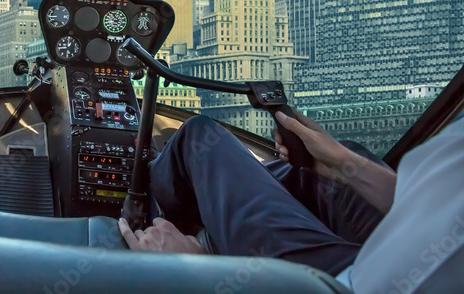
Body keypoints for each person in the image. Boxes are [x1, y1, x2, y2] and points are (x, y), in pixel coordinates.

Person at [118, 109, 464, 291]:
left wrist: (194, 273)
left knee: (198, 136)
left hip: (343, 283)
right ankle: (223, 222)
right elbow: (432, 199)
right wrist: (342, 163)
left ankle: (153, 219)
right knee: (325, 170)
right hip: (405, 243)